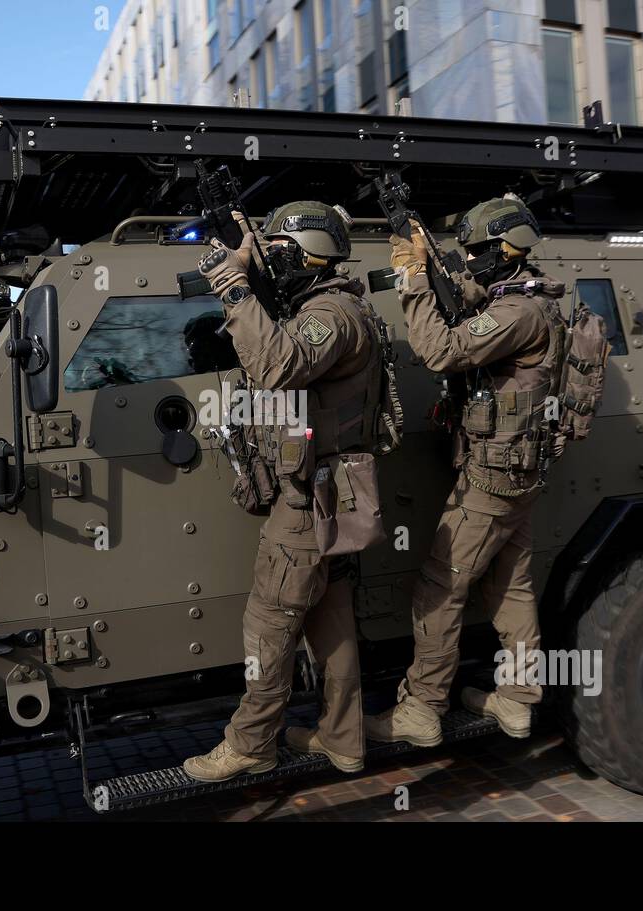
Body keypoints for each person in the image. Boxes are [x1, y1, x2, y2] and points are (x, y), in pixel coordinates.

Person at [182, 202, 389, 781]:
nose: (270, 258)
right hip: (328, 497)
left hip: (308, 504)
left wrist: (231, 280)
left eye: (278, 249)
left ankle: (251, 745)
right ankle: (343, 740)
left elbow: (278, 364)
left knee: (269, 623)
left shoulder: (334, 314)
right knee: (331, 622)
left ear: (307, 254)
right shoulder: (326, 306)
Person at [365, 196, 565, 744]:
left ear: (508, 248)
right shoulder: (527, 294)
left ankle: (422, 708)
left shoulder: (519, 314)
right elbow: (474, 296)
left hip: (493, 476)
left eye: (479, 252)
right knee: (511, 585)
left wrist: (411, 277)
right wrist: (432, 258)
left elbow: (442, 350)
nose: (473, 261)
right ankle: (520, 700)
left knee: (439, 585)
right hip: (519, 470)